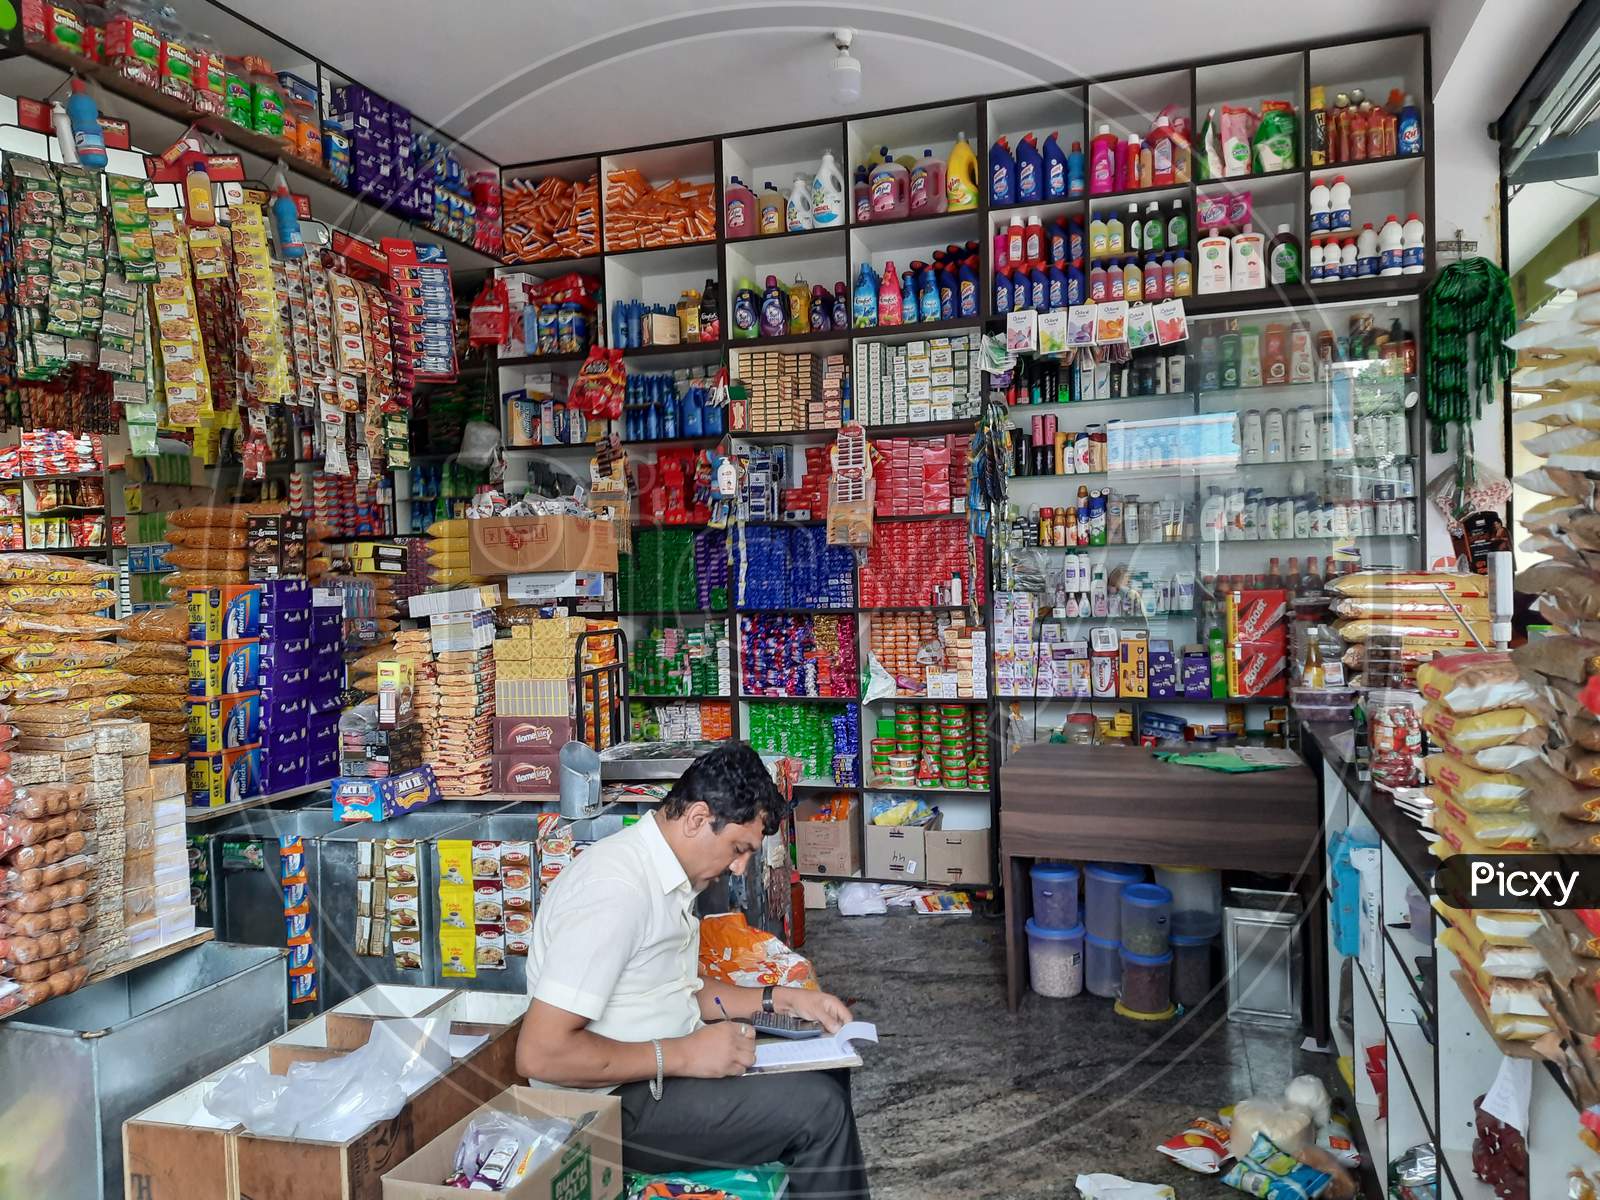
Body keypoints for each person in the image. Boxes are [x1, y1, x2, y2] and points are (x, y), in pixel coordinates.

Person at [516, 743, 870, 1198]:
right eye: (738, 849)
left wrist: (782, 998)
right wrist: (684, 1054)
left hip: (652, 1076)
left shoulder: (665, 875)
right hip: (607, 1108)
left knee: (828, 1068)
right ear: (698, 819)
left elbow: (673, 987)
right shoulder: (615, 891)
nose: (739, 868)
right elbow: (541, 1054)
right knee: (819, 1111)